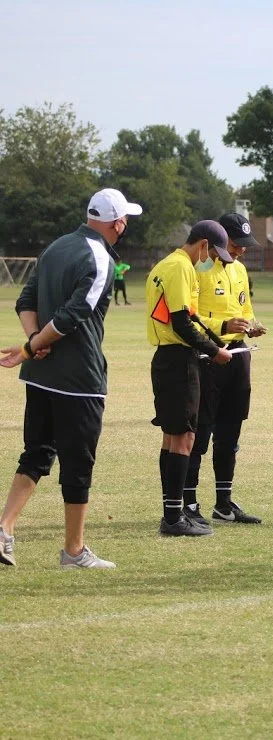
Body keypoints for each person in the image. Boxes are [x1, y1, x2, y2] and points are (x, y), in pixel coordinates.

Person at [0, 188, 142, 569]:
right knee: (78, 465)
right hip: (78, 378)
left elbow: (25, 300)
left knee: (37, 453)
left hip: (42, 376)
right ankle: (74, 551)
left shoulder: (57, 246)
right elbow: (72, 315)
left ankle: (4, 528)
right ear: (118, 223)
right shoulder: (101, 259)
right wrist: (33, 346)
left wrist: (33, 342)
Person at [146, 220, 234, 537]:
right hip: (179, 360)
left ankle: (174, 511)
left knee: (172, 437)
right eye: (212, 252)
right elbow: (182, 322)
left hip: (167, 359)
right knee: (183, 438)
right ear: (203, 245)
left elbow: (191, 317)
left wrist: (215, 339)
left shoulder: (166, 264)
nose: (210, 259)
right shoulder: (182, 267)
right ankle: (173, 518)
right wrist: (214, 352)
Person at [183, 213, 267, 528]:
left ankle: (223, 502)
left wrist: (252, 325)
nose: (241, 251)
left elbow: (244, 309)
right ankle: (189, 502)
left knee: (231, 430)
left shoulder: (241, 270)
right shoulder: (199, 269)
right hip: (207, 355)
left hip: (238, 353)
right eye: (235, 244)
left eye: (245, 245)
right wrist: (221, 325)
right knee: (201, 430)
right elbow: (189, 316)